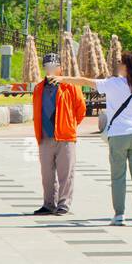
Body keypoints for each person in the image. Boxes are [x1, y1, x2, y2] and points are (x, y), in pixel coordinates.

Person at [62, 51, 132, 227]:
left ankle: (119, 214)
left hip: (118, 135)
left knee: (118, 177)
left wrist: (62, 79)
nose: (118, 64)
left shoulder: (113, 84)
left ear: (127, 67)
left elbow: (84, 81)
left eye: (121, 62)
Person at [31, 53, 86, 216]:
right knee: (46, 173)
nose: (50, 71)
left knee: (66, 172)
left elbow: (81, 109)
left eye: (53, 67)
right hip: (44, 136)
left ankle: (64, 204)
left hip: (66, 136)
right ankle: (48, 203)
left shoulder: (70, 86)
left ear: (60, 68)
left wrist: (70, 125)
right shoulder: (38, 88)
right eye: (47, 67)